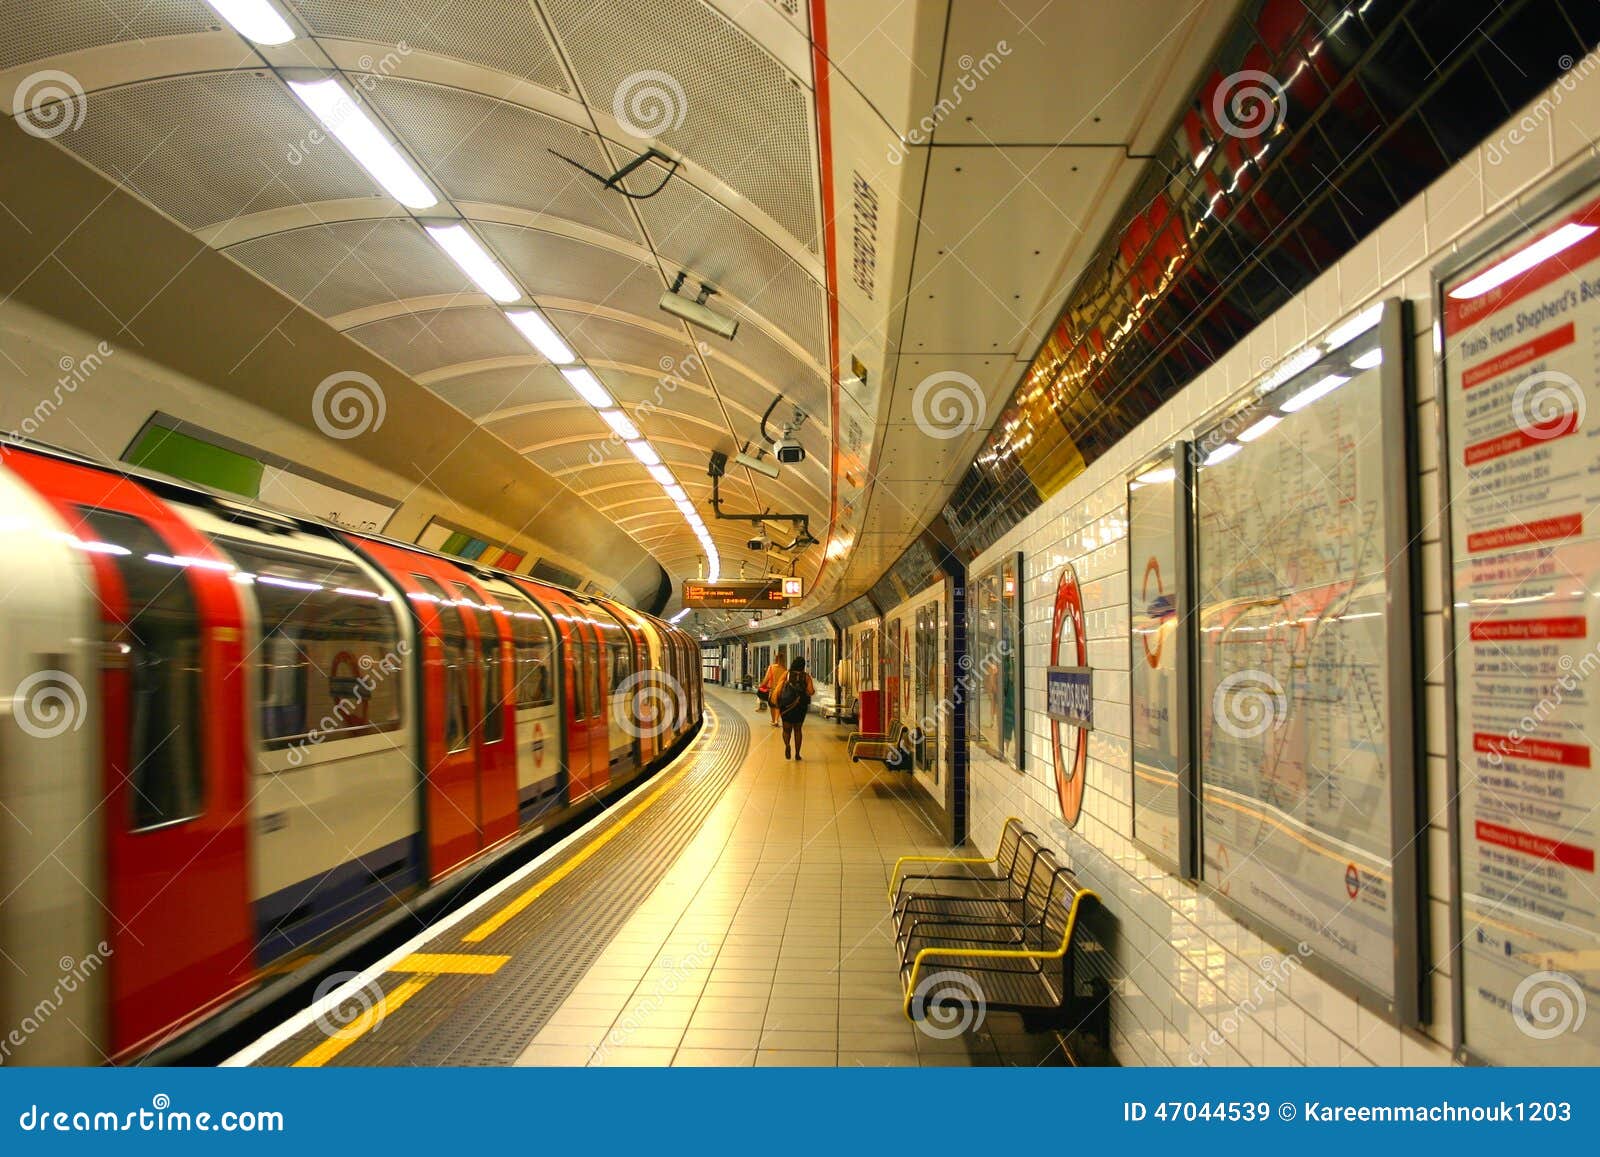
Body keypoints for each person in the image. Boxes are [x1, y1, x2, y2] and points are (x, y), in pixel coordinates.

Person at [772, 656, 815, 761]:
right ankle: (797, 754)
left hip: (786, 706)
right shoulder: (806, 677)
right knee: (798, 730)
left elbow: (779, 688)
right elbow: (811, 691)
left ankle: (787, 745)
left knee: (786, 730)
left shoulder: (786, 674)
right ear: (803, 666)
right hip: (800, 707)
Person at [760, 649, 787, 728]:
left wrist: (762, 685)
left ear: (776, 659)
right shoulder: (785, 669)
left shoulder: (771, 668)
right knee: (778, 705)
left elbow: (766, 679)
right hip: (782, 691)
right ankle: (776, 720)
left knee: (772, 705)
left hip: (772, 690)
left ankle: (773, 720)